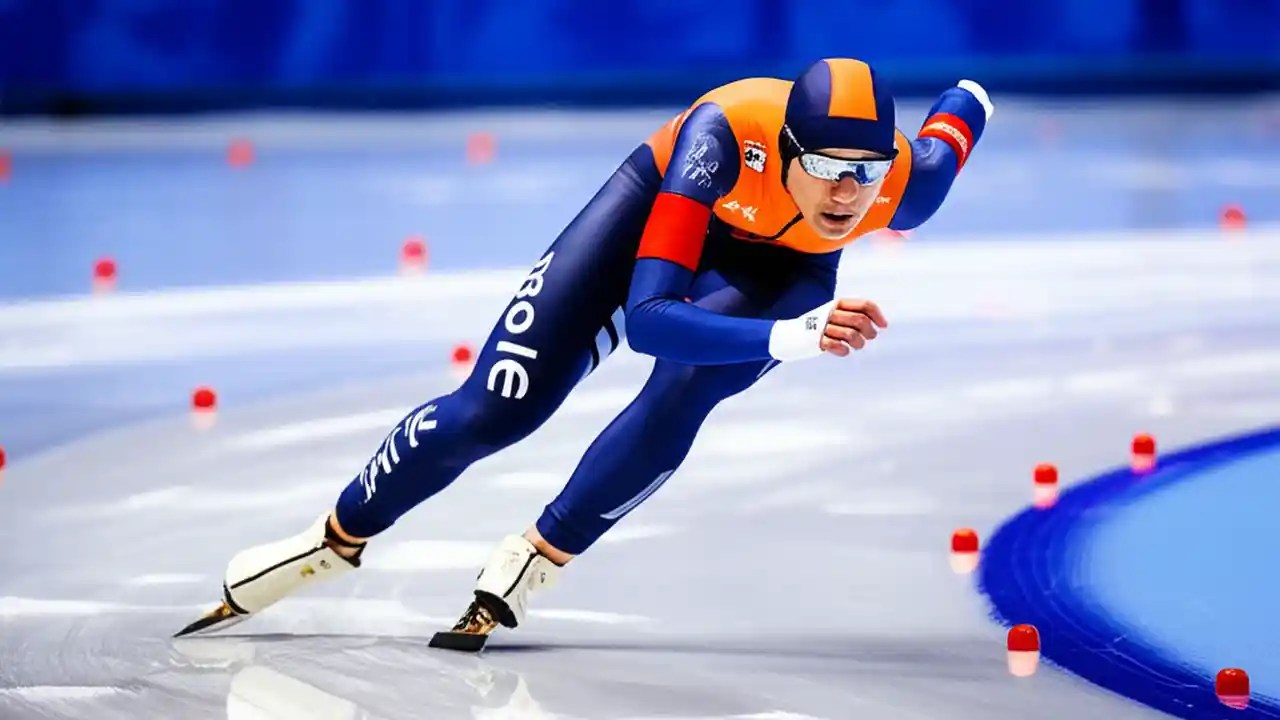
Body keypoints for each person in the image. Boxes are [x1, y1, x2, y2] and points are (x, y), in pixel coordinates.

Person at [176, 58, 995, 648]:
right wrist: (793, 337)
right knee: (495, 408)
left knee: (686, 388)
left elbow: (962, 116)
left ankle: (537, 557)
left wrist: (970, 93)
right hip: (664, 211)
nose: (847, 193)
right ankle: (336, 536)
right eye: (823, 167)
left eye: (864, 170)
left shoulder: (905, 185)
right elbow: (649, 318)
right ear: (782, 150)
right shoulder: (721, 135)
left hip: (783, 270)